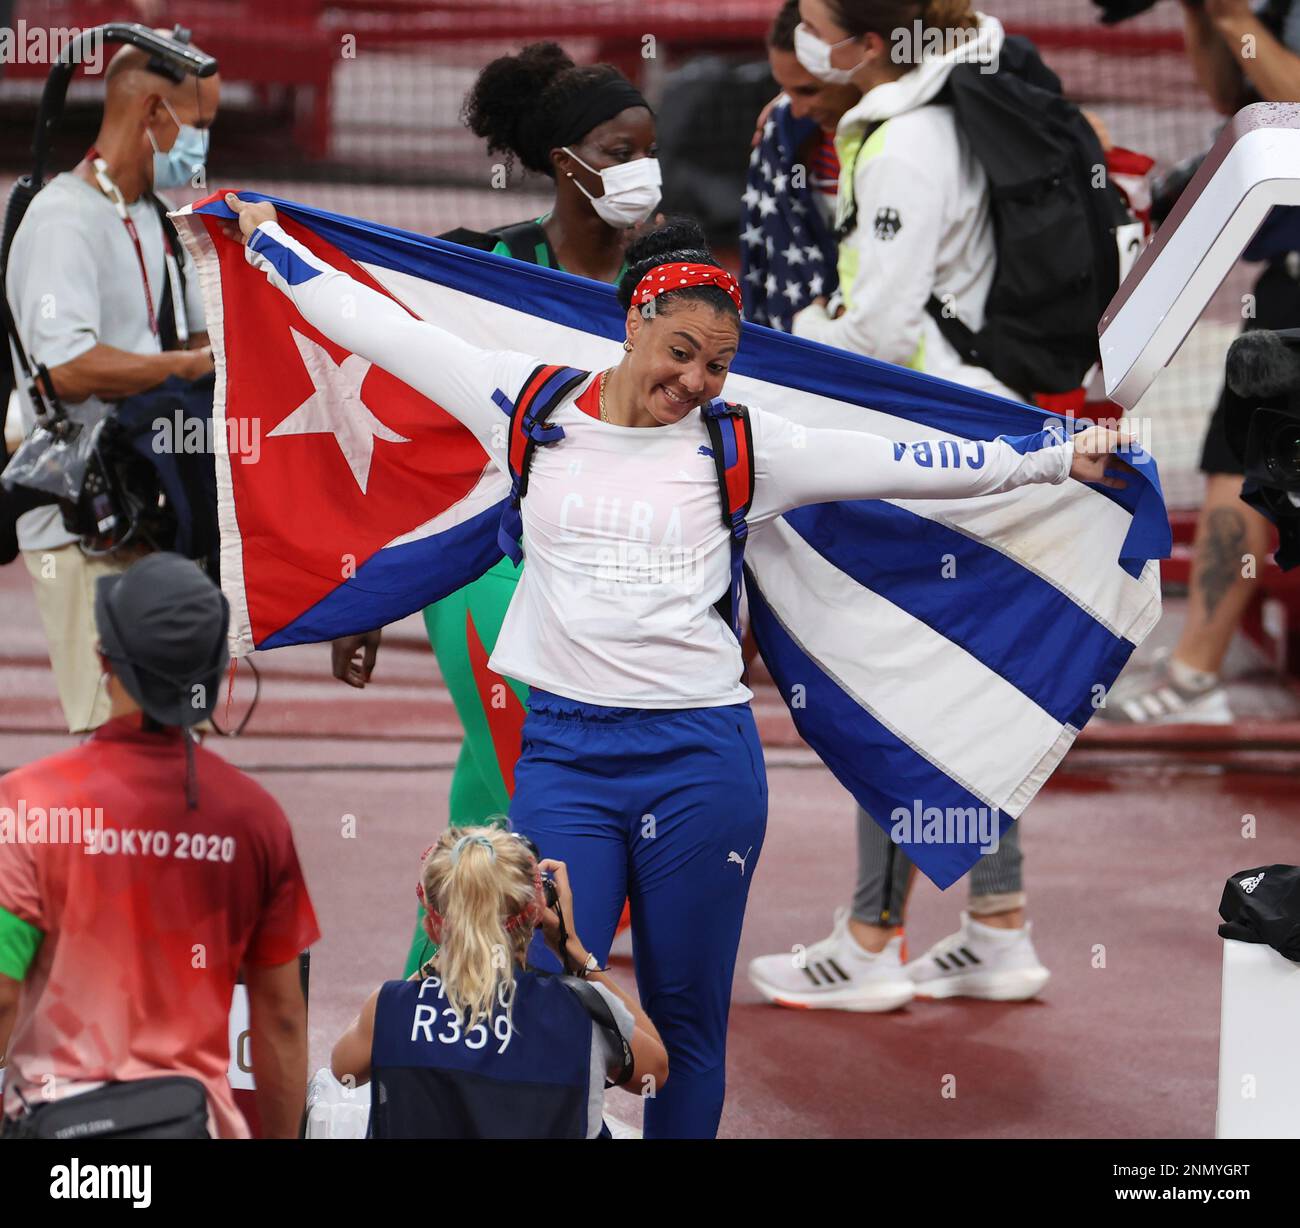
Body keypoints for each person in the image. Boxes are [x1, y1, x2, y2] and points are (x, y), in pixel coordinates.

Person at [223, 190, 1129, 1137]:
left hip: (701, 763)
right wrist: (270, 246)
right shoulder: (527, 403)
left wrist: (1054, 454)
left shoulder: (745, 447)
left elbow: (910, 457)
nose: (696, 380)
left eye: (718, 365)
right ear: (634, 324)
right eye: (682, 352)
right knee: (537, 998)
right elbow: (380, 328)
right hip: (566, 758)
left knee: (686, 1025)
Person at [328, 43, 660, 976]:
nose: (642, 170)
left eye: (649, 150)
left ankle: (414, 1015)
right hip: (491, 568)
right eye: (621, 151)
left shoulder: (661, 283)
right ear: (566, 163)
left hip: (613, 576)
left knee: (483, 814)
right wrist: (370, 593)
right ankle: (552, 1020)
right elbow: (407, 432)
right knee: (541, 816)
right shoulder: (480, 270)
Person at [747, 0, 1052, 1013]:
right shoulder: (955, 103)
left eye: (816, 32)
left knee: (894, 683)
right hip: (971, 433)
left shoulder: (907, 141)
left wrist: (791, 331)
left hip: (926, 447)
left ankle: (871, 942)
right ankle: (996, 925)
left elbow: (876, 332)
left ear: (869, 45)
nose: (804, 58)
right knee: (962, 685)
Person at [0, 553, 319, 1139]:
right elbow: (280, 1019)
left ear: (104, 661)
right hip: (194, 1125)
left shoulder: (28, 804)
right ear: (215, 676)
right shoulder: (255, 819)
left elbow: (1, 995)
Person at [4, 38, 219, 734]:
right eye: (199, 124)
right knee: (118, 732)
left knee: (169, 732)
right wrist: (184, 368)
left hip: (148, 511)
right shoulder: (63, 218)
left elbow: (195, 346)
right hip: (79, 521)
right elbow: (64, 369)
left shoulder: (158, 220)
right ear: (154, 112)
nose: (202, 145)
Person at [1098, 0, 1300, 725]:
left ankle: (1195, 674)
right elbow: (1233, 96)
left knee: (1246, 469)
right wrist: (1204, 13)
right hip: (1287, 280)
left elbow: (1293, 111)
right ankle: (1195, 672)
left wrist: (1231, 13)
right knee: (1237, 466)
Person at [331, 826, 668, 1138]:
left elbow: (342, 1068)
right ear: (535, 915)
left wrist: (445, 951)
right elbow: (656, 1070)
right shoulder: (585, 1011)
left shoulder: (390, 1008)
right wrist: (573, 950)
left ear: (433, 924)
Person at [742, 0, 859, 330]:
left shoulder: (912, 140)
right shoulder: (782, 131)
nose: (797, 109)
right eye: (785, 89)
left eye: (808, 90)